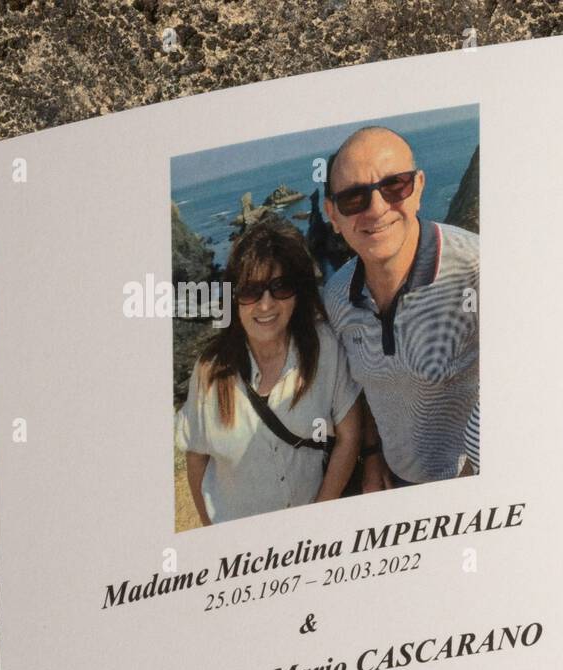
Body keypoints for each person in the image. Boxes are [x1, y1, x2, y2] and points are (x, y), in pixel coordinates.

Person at [320, 125, 479, 491]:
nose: (376, 209)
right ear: (333, 215)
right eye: (354, 198)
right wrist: (373, 453)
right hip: (395, 481)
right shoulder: (337, 295)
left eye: (395, 186)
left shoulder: (478, 271)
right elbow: (366, 384)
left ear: (419, 187)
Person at [177, 217, 362, 526]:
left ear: (298, 292)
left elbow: (349, 435)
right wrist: (211, 534)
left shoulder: (324, 348)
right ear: (234, 298)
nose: (266, 305)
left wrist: (319, 516)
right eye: (250, 290)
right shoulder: (210, 370)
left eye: (280, 287)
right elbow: (196, 456)